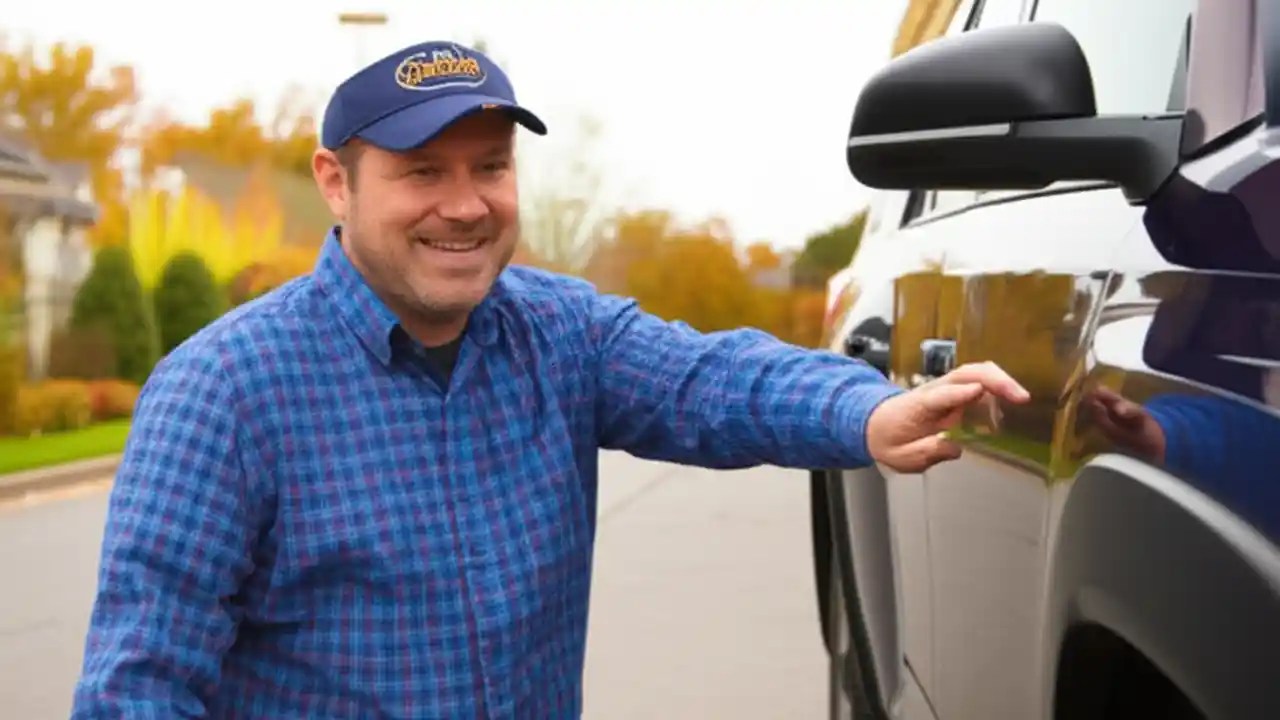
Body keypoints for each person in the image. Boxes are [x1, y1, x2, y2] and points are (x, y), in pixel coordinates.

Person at [70, 40, 1029, 719]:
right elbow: (139, 686)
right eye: (420, 171)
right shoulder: (222, 394)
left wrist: (869, 409)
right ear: (336, 181)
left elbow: (711, 378)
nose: (464, 204)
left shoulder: (560, 331)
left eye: (490, 165)